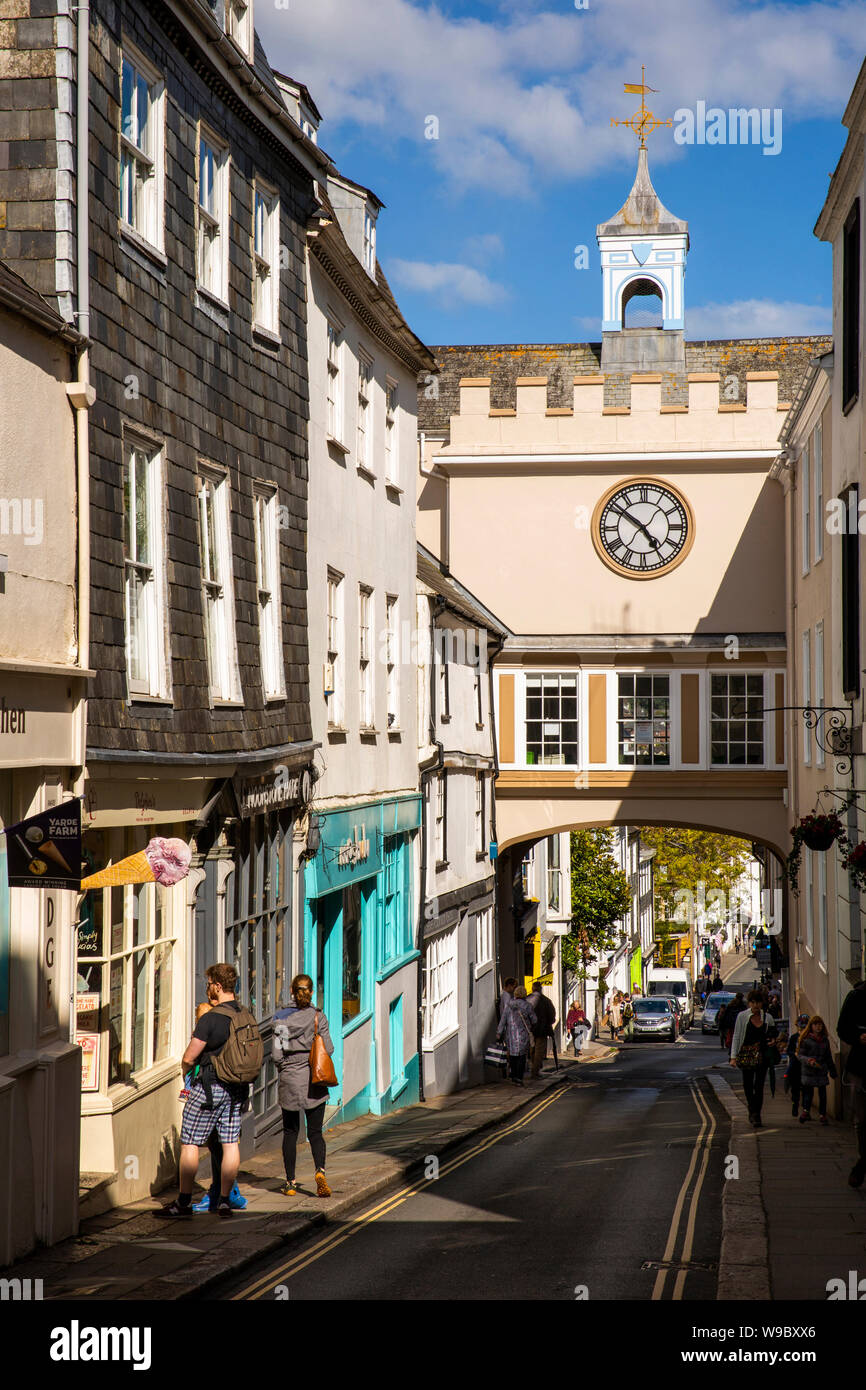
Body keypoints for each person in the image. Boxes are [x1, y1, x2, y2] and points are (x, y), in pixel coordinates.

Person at [163, 962, 260, 1217]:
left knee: (190, 1144)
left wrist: (185, 1073)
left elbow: (189, 1057)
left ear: (218, 986)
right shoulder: (246, 1014)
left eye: (209, 984)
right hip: (237, 1090)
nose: (208, 989)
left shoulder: (210, 1018)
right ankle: (226, 1200)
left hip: (209, 1089)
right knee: (230, 1144)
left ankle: (183, 1203)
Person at [272, 974, 335, 1198]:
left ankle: (290, 1183)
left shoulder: (281, 1018)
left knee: (290, 1132)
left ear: (292, 990)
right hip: (313, 1079)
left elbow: (277, 1054)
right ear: (311, 992)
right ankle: (320, 1172)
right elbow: (329, 1049)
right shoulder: (318, 1017)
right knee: (315, 1132)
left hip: (289, 1077)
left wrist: (287, 1066)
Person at [189, 994, 247, 1213]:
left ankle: (225, 1193)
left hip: (213, 1093)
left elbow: (189, 1060)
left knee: (217, 1145)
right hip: (234, 1092)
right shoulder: (238, 1017)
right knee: (223, 1145)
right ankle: (226, 1193)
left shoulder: (211, 1039)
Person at [729, 989, 776, 1128]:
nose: (755, 1005)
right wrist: (733, 1057)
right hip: (746, 1054)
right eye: (753, 1002)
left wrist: (773, 1041)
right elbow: (737, 1036)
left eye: (758, 1002)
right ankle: (752, 1109)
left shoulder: (768, 1018)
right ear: (749, 1003)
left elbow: (773, 1034)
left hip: (762, 1056)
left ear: (762, 1003)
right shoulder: (742, 1017)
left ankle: (756, 1115)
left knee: (759, 1086)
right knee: (748, 1085)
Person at [837, 977, 866, 1187]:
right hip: (862, 1069)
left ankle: (861, 1166)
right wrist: (859, 1037)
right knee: (863, 1121)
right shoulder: (857, 996)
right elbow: (843, 1028)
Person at [797, 1015, 836, 1125]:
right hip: (809, 1071)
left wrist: (832, 1069)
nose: (818, 1027)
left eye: (820, 1025)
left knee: (822, 1094)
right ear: (811, 1026)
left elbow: (828, 1057)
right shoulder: (806, 1040)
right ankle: (806, 1111)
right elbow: (800, 1055)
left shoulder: (825, 1040)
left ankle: (822, 1114)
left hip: (821, 1070)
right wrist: (809, 1060)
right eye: (816, 1025)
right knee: (808, 1093)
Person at [497, 985, 536, 1086]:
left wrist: (499, 1032)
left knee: (513, 1055)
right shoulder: (527, 1006)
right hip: (523, 1035)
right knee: (521, 1056)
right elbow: (534, 1020)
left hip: (510, 1035)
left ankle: (513, 1075)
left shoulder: (509, 1005)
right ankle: (519, 1077)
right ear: (524, 994)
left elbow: (503, 1020)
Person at [783, 1013, 810, 1117]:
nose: (802, 1029)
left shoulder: (809, 1038)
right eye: (801, 1026)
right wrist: (794, 1054)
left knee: (806, 1089)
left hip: (806, 1067)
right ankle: (795, 1104)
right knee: (795, 1088)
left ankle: (805, 1109)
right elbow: (789, 1050)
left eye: (805, 1027)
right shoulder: (794, 1037)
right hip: (795, 1065)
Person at [528, 981, 556, 1077]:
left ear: (532, 988)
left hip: (529, 1029)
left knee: (532, 1050)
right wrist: (549, 1023)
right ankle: (535, 1071)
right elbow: (552, 1015)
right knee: (539, 1051)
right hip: (542, 1029)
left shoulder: (527, 999)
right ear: (540, 989)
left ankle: (534, 1068)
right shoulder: (546, 1000)